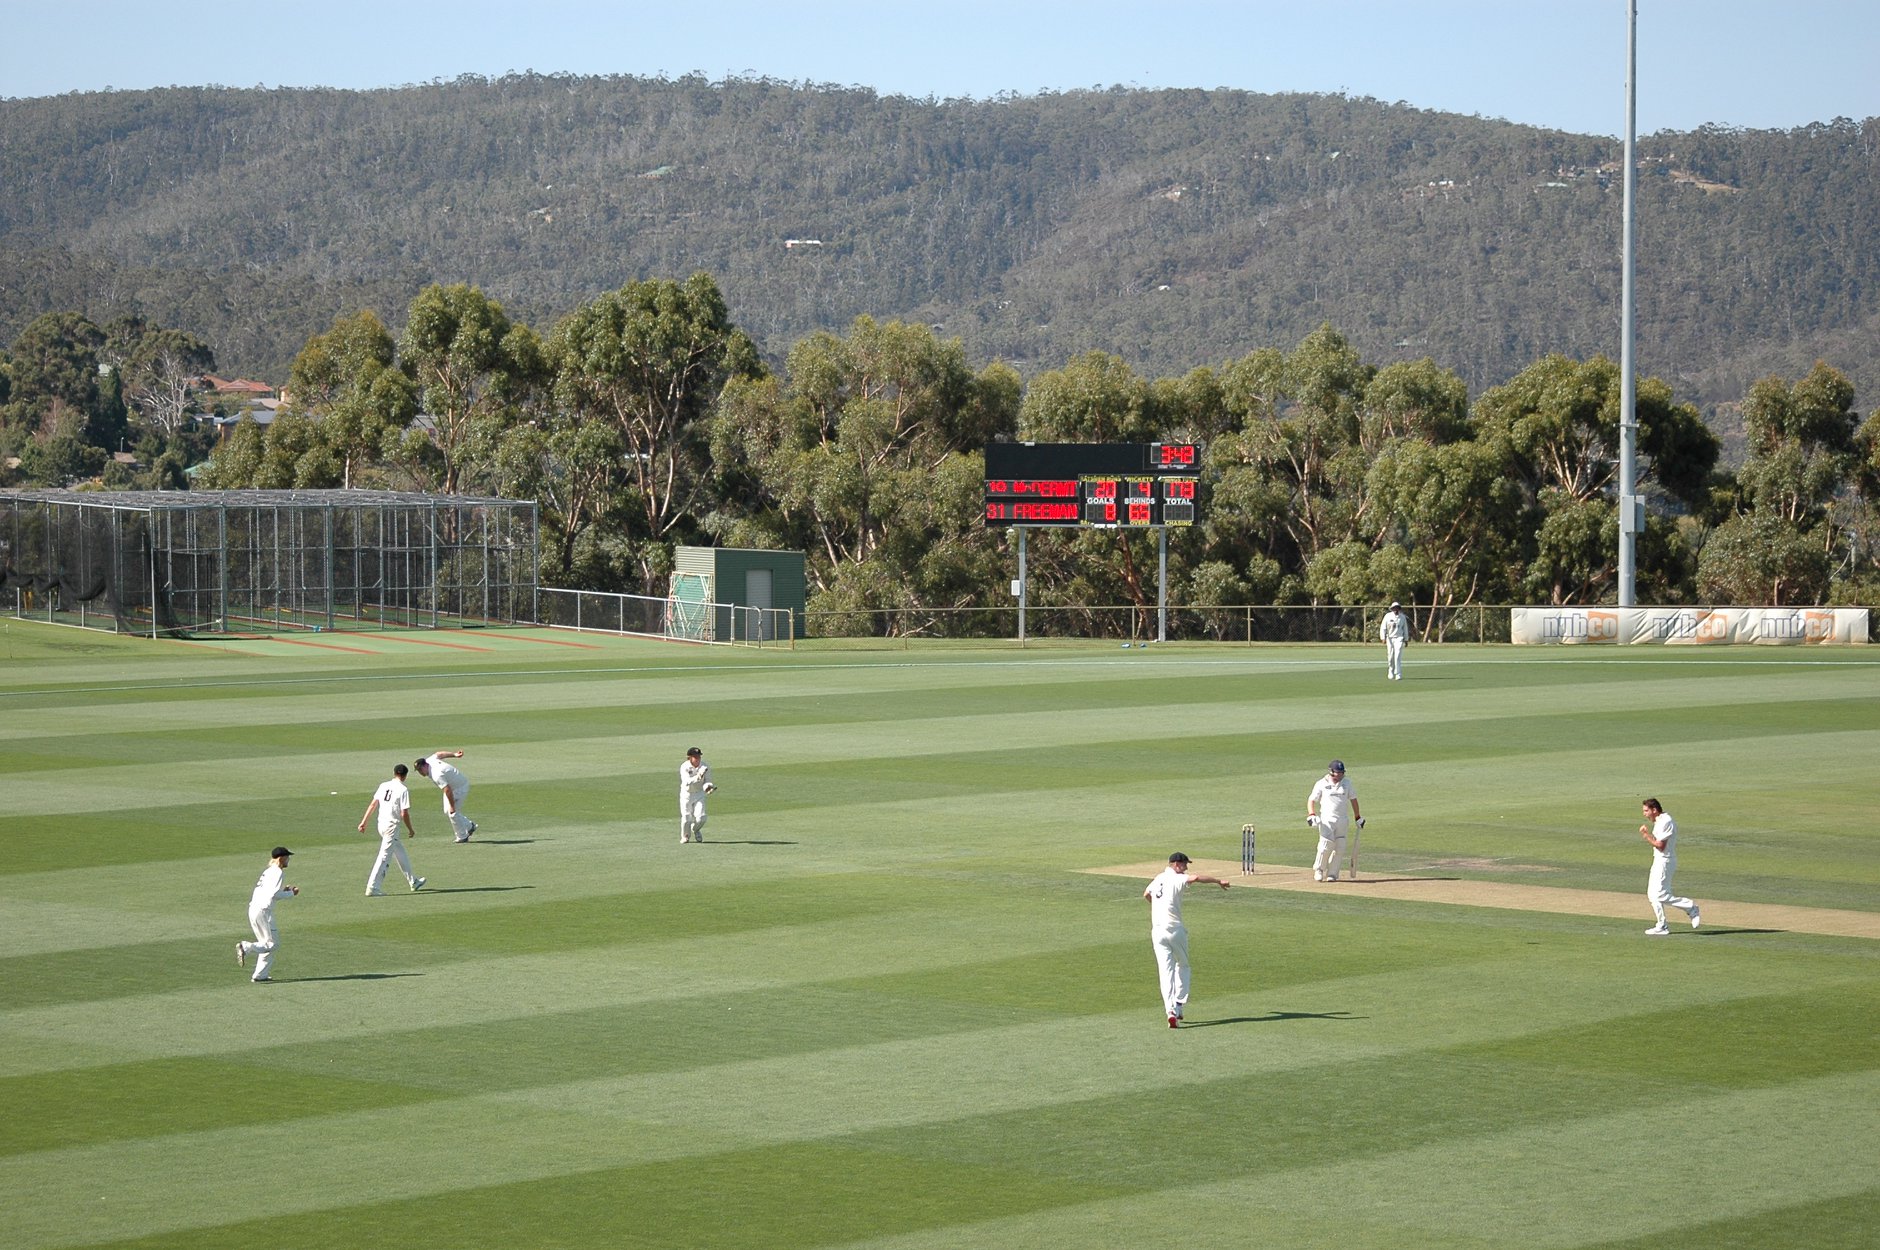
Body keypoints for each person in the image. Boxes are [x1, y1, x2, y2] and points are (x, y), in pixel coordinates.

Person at [1144, 852, 1231, 1028]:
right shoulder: (1177, 878)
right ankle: (1178, 1003)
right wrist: (1218, 881)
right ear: (1176, 864)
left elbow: (1146, 894)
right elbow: (1197, 877)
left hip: (1157, 931)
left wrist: (1158, 908)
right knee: (1183, 965)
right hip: (1175, 929)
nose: (1186, 868)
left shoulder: (1158, 878)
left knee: (1165, 972)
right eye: (1184, 865)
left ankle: (1170, 1011)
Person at [358, 763, 425, 895]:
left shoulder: (384, 785)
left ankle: (413, 881)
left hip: (381, 824)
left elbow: (373, 804)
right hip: (391, 827)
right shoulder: (403, 789)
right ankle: (372, 887)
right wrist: (410, 829)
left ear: (394, 773)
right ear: (405, 776)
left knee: (399, 852)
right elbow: (404, 813)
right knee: (384, 857)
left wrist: (364, 822)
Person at [236, 846, 298, 982]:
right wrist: (291, 893)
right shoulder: (278, 872)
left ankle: (260, 975)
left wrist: (284, 890)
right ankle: (246, 947)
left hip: (254, 909)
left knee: (265, 943)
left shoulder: (269, 871)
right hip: (263, 912)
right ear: (281, 858)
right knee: (272, 944)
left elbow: (270, 892)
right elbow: (274, 894)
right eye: (287, 857)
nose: (289, 860)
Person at [1639, 797, 1700, 935]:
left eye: (1646, 811)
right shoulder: (1659, 821)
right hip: (1659, 860)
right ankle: (1661, 925)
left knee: (1661, 895)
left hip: (1665, 861)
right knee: (1652, 895)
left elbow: (1660, 846)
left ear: (1654, 810)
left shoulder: (1666, 821)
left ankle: (1690, 907)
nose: (1644, 814)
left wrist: (1646, 835)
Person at [1306, 759, 1364, 882]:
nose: (1340, 775)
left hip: (1342, 820)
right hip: (1327, 820)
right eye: (1338, 772)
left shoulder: (1347, 783)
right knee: (1325, 845)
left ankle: (1333, 873)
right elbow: (1311, 800)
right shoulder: (1321, 783)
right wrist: (1311, 814)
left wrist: (1357, 817)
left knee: (1340, 846)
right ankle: (1319, 870)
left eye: (1342, 773)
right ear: (1332, 772)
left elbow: (1353, 800)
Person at [414, 749, 477, 842]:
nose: (420, 772)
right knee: (447, 811)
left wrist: (452, 806)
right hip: (453, 786)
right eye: (418, 770)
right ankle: (469, 826)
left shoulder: (436, 775)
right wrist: (454, 754)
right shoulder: (430, 760)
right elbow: (440, 754)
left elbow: (447, 790)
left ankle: (462, 836)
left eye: (420, 769)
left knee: (452, 813)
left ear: (425, 765)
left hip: (459, 787)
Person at [678, 746, 715, 844]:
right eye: (695, 757)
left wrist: (708, 787)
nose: (698, 759)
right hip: (687, 794)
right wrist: (698, 777)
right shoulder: (684, 767)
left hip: (699, 794)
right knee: (686, 817)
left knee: (702, 817)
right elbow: (687, 781)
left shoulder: (704, 766)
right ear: (689, 758)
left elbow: (708, 781)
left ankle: (695, 829)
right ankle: (685, 836)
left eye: (699, 756)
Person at [1380, 601, 1408, 681]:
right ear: (1392, 609)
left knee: (1398, 655)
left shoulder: (1402, 617)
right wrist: (1383, 637)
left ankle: (1398, 673)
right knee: (1390, 656)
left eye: (1397, 608)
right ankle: (1391, 671)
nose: (1396, 610)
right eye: (1394, 608)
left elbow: (1405, 628)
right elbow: (1383, 627)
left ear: (1399, 609)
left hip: (1399, 638)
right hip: (1390, 638)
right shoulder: (1387, 616)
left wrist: (1406, 639)